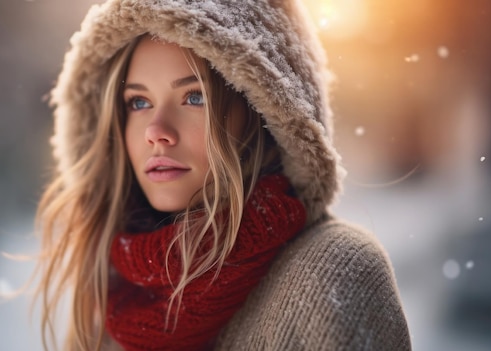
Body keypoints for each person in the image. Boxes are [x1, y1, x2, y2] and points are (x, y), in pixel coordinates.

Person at [32, 0, 411, 350]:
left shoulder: (336, 273)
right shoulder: (116, 299)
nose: (156, 130)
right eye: (139, 102)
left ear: (265, 114)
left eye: (195, 97)